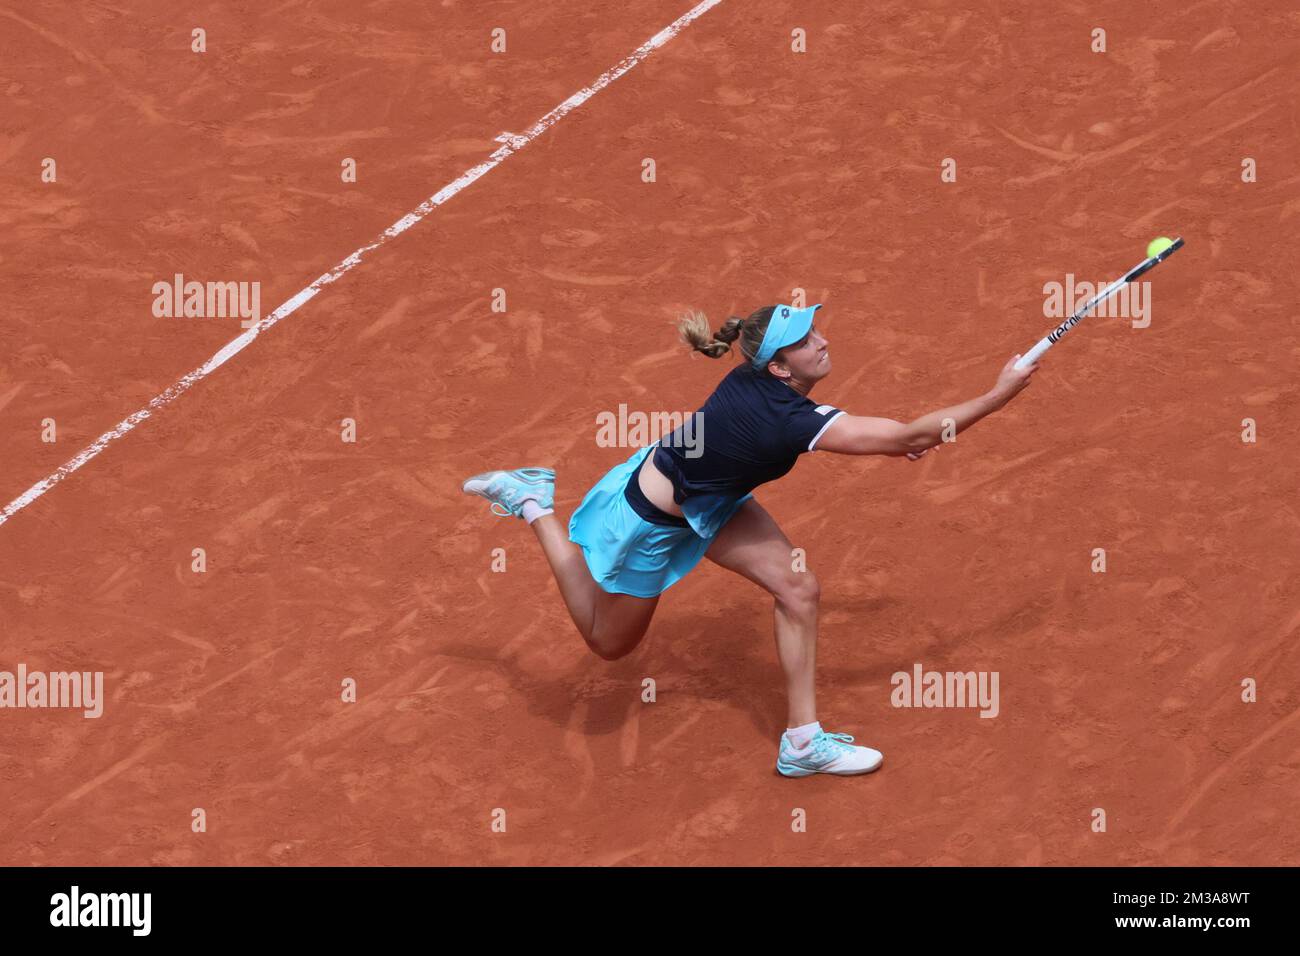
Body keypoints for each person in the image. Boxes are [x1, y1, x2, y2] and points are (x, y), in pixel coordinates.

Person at [462, 303, 1038, 776]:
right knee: (607, 643)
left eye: (814, 329)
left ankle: (803, 743)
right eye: (805, 340)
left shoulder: (761, 386)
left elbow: (893, 437)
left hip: (708, 497)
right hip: (651, 519)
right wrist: (999, 394)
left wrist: (896, 440)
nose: (821, 341)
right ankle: (532, 501)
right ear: (780, 369)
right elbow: (907, 434)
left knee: (797, 589)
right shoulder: (782, 418)